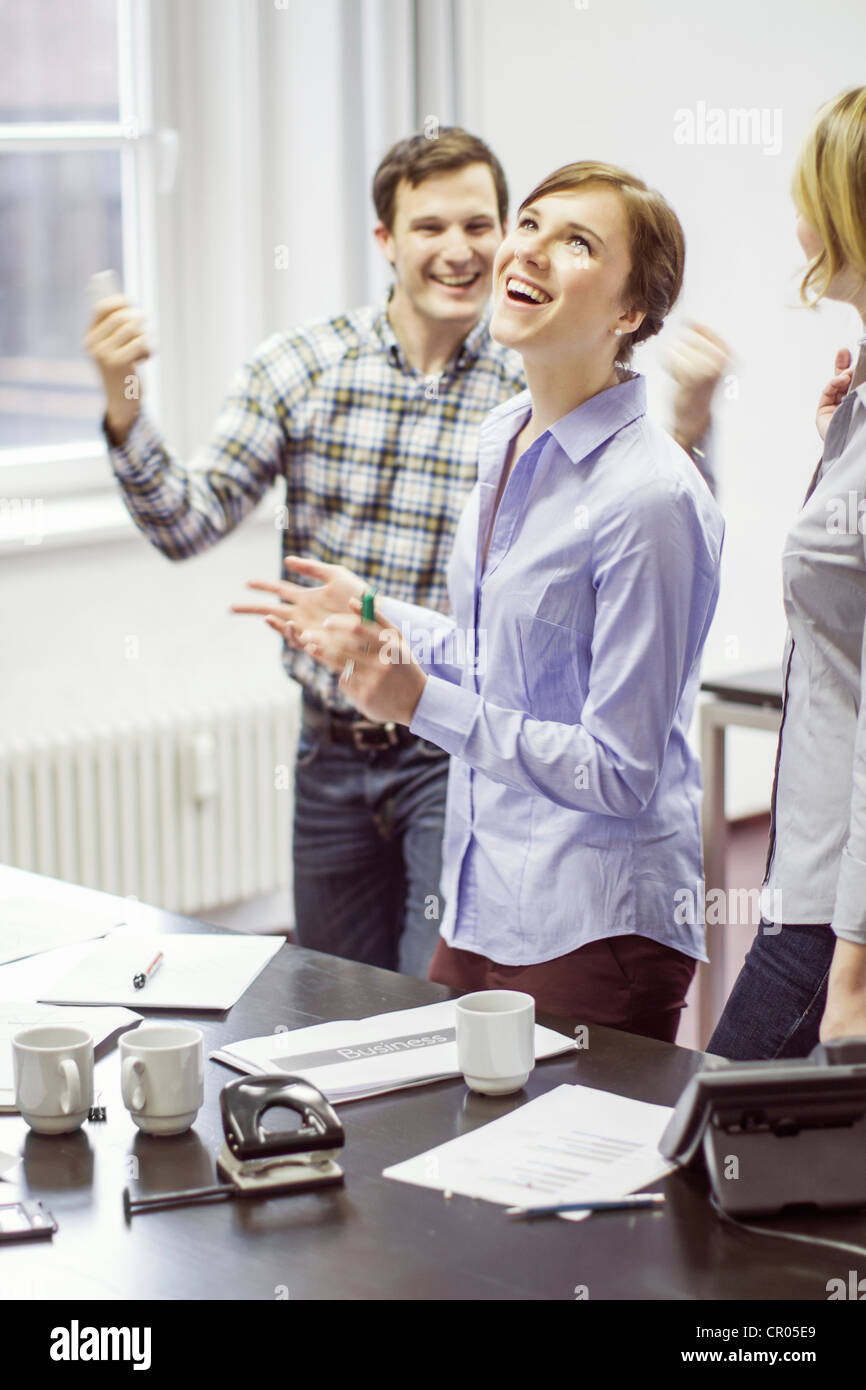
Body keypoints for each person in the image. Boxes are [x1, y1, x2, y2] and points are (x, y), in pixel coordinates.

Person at [86, 127, 724, 981]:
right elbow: (185, 521)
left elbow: (648, 526)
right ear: (386, 241)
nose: (465, 251)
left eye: (483, 225)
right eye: (431, 228)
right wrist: (125, 403)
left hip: (454, 752)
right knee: (334, 1004)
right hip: (341, 749)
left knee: (431, 1025)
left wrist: (691, 426)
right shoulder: (322, 372)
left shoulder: (536, 375)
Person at [273, 160, 725, 1042]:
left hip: (597, 919)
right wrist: (379, 613)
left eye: (578, 243)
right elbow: (505, 657)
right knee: (434, 1150)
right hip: (483, 896)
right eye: (532, 223)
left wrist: (419, 704)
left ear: (631, 313)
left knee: (566, 1175)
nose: (530, 251)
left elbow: (622, 771)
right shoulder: (504, 437)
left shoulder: (651, 498)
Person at [707, 88, 866, 1059]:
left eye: (810, 198)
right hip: (808, 890)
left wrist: (850, 969)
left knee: (707, 1181)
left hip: (830, 919)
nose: (797, 225)